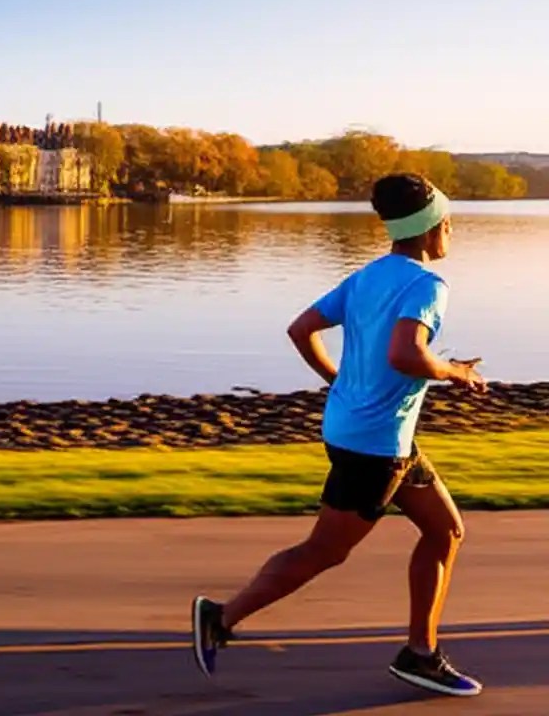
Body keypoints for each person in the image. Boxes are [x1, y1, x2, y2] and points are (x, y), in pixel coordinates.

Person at [191, 173, 488, 697]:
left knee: (445, 530)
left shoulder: (367, 276)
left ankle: (420, 654)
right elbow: (405, 355)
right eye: (448, 223)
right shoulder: (427, 286)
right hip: (375, 448)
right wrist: (456, 372)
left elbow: (300, 329)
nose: (451, 233)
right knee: (323, 552)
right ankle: (221, 617)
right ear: (429, 230)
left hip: (363, 432)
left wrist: (339, 380)